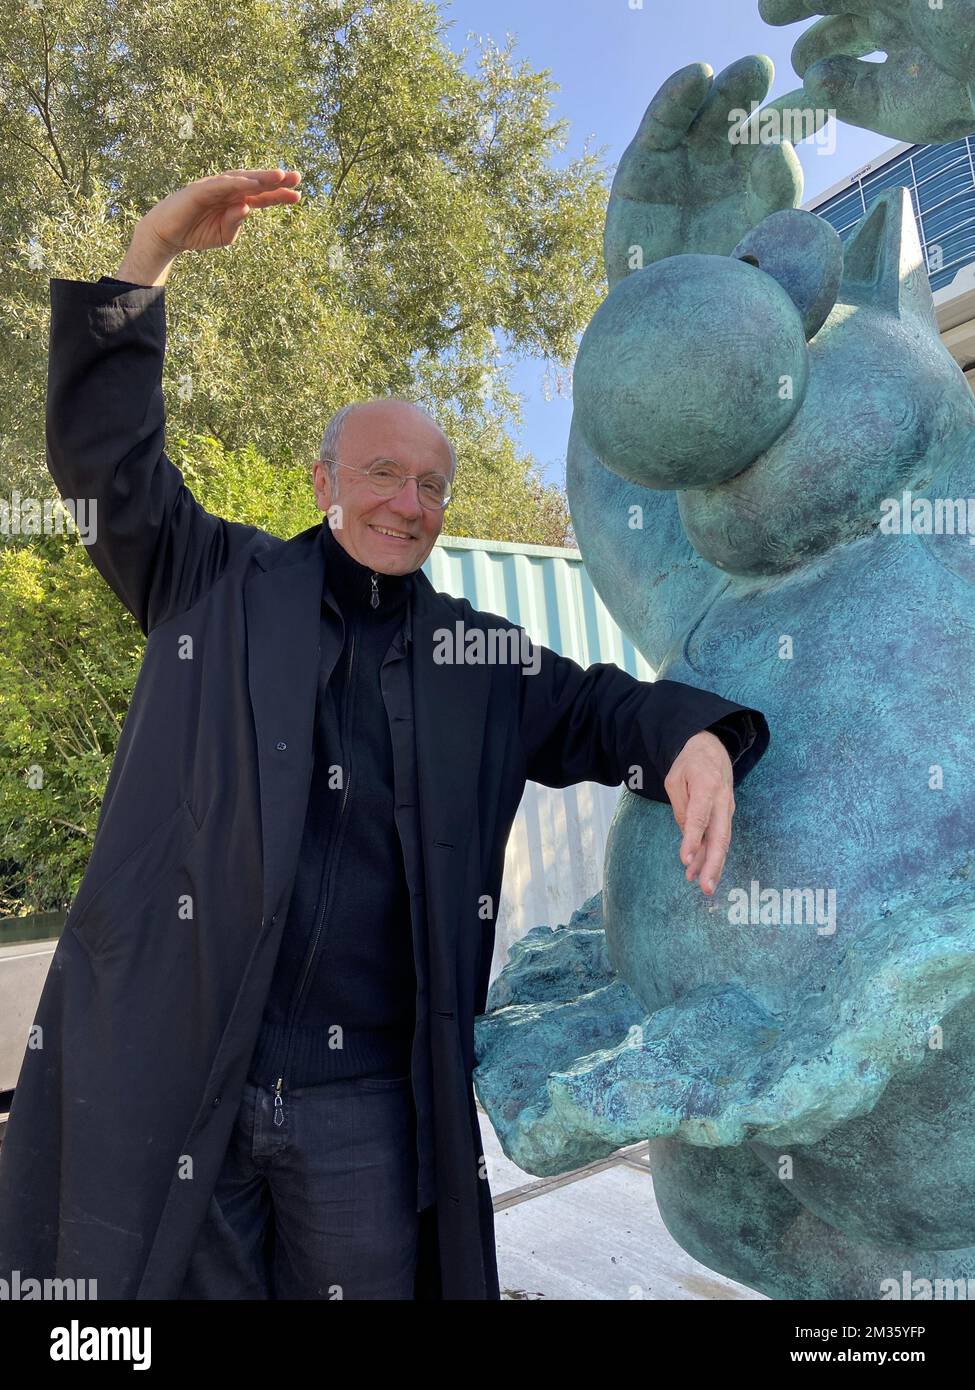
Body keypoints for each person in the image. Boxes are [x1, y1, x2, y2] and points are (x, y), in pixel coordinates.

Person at [0, 169, 770, 1300]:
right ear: (325, 481)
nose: (409, 503)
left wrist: (695, 739)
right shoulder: (213, 582)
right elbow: (106, 467)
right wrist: (147, 257)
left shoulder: (479, 659)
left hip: (362, 1108)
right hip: (191, 1074)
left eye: (433, 487)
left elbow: (606, 708)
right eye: (383, 474)